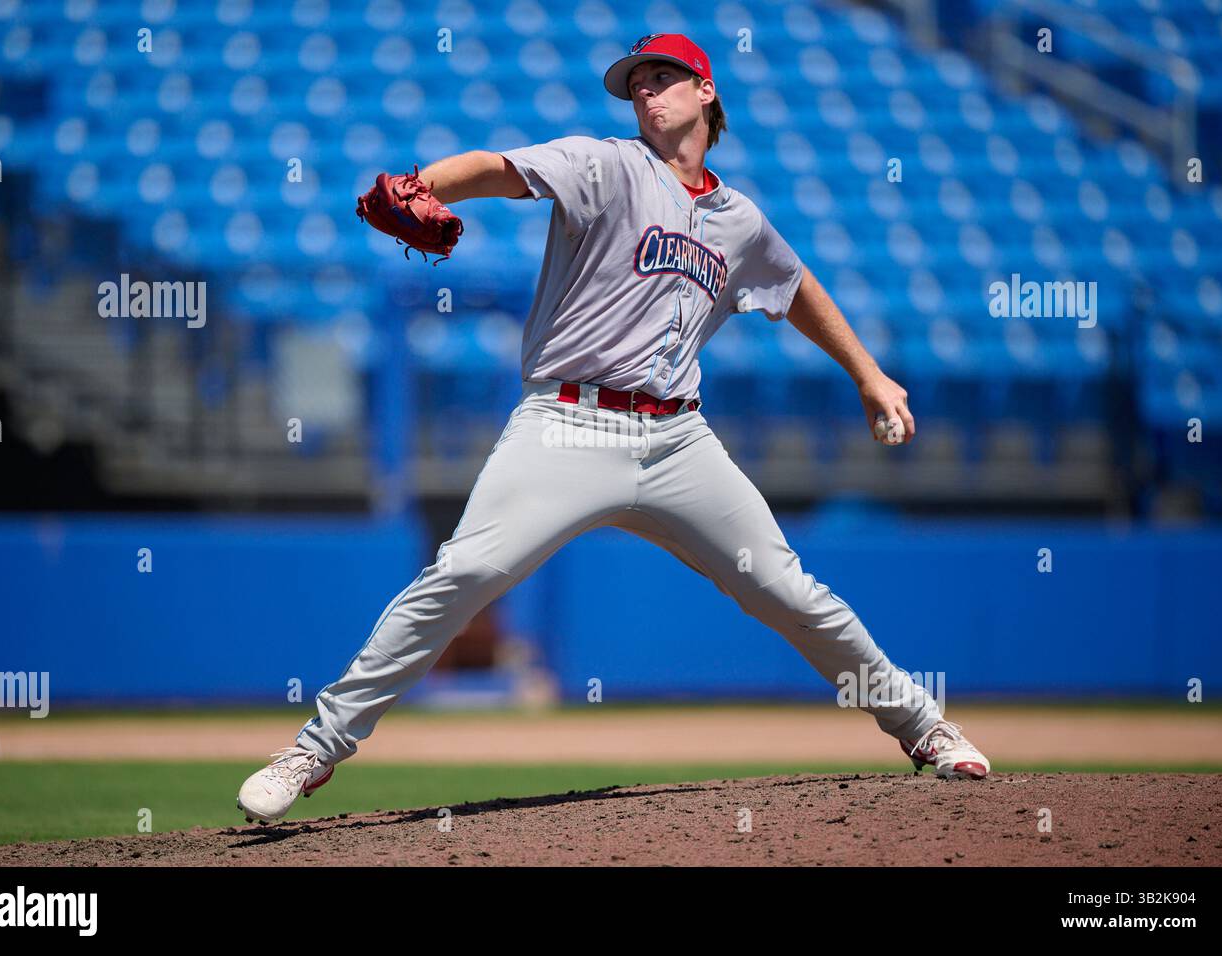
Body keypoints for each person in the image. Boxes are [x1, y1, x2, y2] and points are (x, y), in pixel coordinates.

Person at [237, 33, 990, 825]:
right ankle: (315, 749)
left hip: (678, 441)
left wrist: (868, 375)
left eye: (662, 78)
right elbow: (497, 167)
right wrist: (426, 184)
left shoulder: (738, 221)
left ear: (705, 91)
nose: (645, 92)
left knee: (789, 592)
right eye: (635, 83)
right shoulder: (605, 163)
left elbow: (795, 286)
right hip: (567, 422)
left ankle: (924, 727)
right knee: (463, 574)